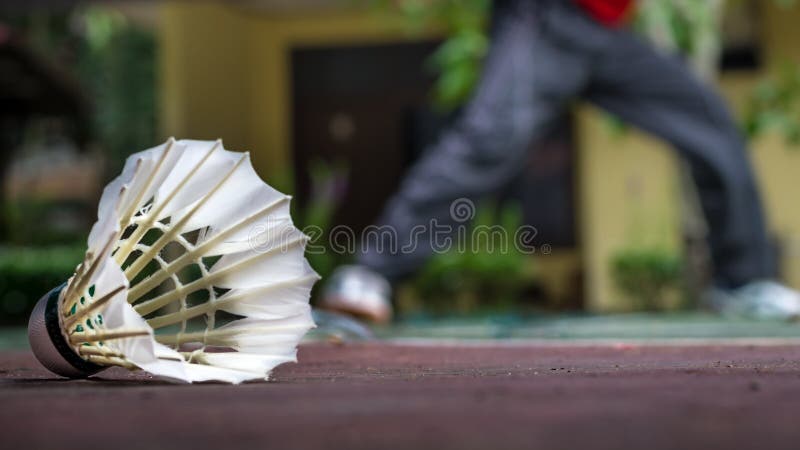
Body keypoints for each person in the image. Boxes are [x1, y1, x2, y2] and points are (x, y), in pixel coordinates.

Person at [320, 0, 800, 322]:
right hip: (545, 15)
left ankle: (743, 281)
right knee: (491, 139)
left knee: (709, 121)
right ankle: (371, 274)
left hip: (602, 31)